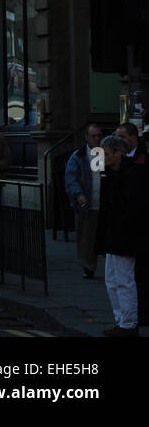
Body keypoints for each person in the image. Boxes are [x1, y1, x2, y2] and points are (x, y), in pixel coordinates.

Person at [94, 134, 142, 336]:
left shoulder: (131, 174)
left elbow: (131, 209)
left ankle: (129, 324)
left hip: (124, 236)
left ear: (118, 154)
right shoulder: (111, 173)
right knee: (111, 280)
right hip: (112, 234)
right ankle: (121, 320)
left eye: (106, 153)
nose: (102, 157)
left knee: (124, 280)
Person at [116, 122, 149, 325]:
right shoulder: (112, 158)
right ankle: (128, 315)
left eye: (121, 137)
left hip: (140, 223)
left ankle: (140, 315)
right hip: (121, 223)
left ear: (133, 138)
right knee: (120, 278)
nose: (118, 141)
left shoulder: (143, 158)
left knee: (140, 274)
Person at [65, 123, 104, 278]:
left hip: (103, 202)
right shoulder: (78, 156)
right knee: (85, 238)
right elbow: (70, 179)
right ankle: (88, 266)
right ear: (86, 137)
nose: (97, 138)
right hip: (86, 204)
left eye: (99, 135)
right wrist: (78, 194)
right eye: (93, 135)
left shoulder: (106, 152)